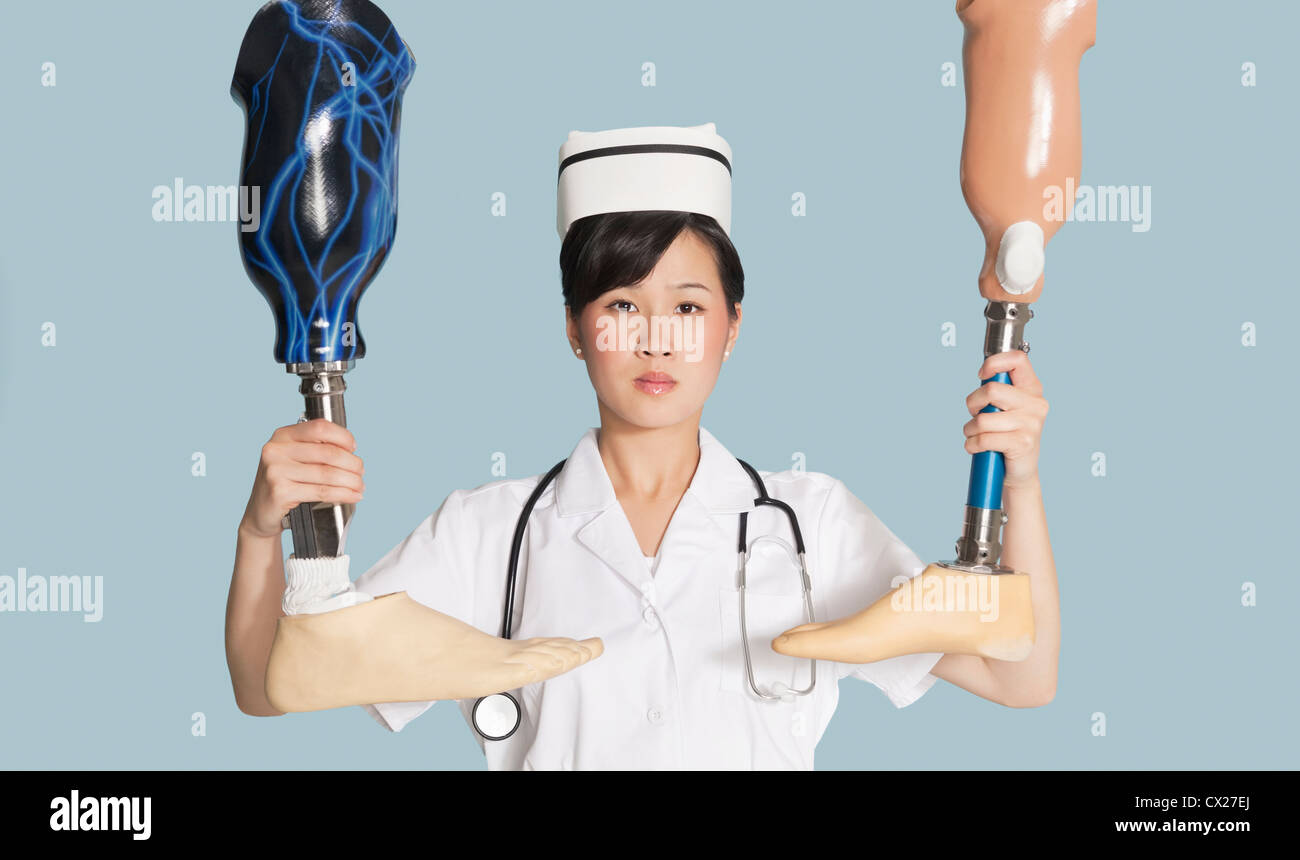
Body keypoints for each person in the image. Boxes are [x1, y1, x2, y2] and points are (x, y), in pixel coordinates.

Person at [225, 123, 1058, 770]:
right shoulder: (489, 532)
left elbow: (1020, 677)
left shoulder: (817, 524)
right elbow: (274, 685)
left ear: (733, 329)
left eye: (689, 307)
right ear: (574, 330)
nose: (657, 341)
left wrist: (1018, 482)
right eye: (622, 304)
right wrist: (268, 532)